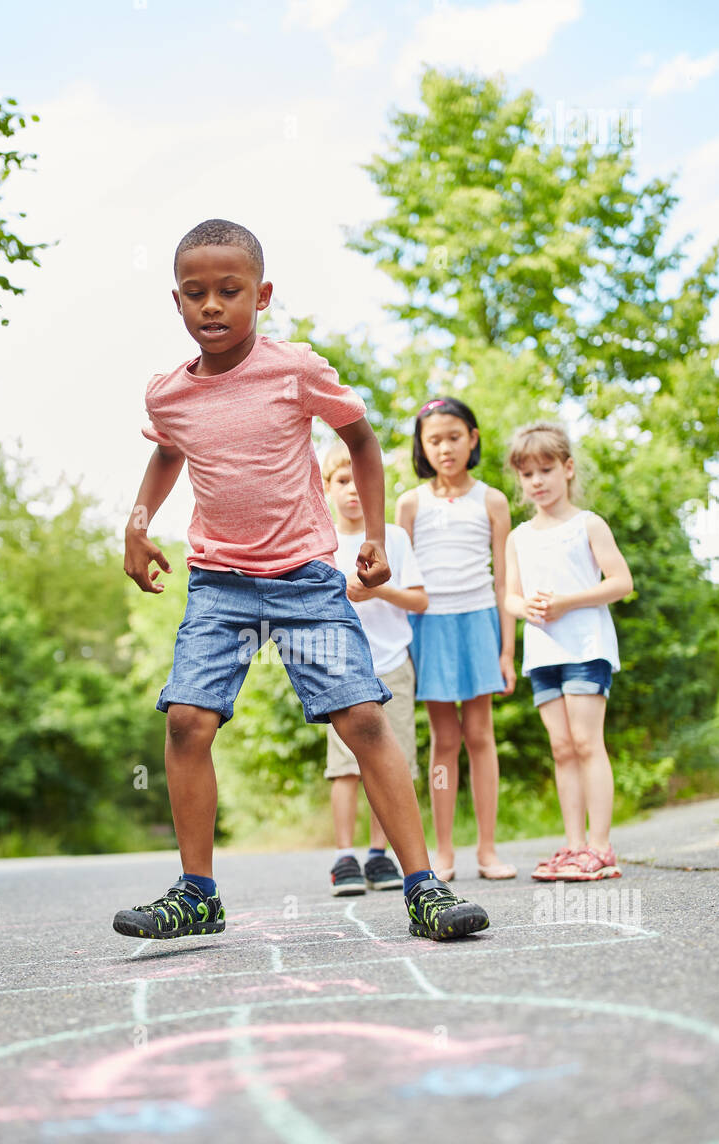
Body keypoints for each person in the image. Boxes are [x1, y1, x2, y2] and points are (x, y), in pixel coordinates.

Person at [114, 218, 490, 942]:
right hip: (220, 580)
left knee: (362, 716)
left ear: (263, 296)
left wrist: (375, 538)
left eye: (231, 291)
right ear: (178, 302)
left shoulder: (295, 369)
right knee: (188, 720)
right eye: (197, 294)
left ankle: (423, 887)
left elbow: (361, 439)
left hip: (304, 578)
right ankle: (197, 893)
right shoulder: (170, 395)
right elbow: (167, 454)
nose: (213, 306)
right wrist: (137, 521)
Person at [503, 422, 633, 881]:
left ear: (567, 468)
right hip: (542, 654)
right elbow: (510, 597)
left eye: (546, 469)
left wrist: (566, 601)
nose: (536, 480)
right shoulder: (518, 536)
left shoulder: (588, 524)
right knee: (561, 748)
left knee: (585, 742)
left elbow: (621, 583)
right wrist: (529, 609)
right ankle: (574, 845)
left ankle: (600, 848)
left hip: (587, 646)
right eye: (527, 473)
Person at [395, 397, 517, 882]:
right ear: (422, 447)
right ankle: (442, 852)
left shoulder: (492, 500)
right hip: (430, 628)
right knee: (444, 740)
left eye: (454, 437)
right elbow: (401, 579)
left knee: (481, 736)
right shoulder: (409, 503)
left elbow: (506, 582)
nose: (445, 448)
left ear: (473, 437)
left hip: (480, 621)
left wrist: (508, 650)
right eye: (434, 440)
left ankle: (488, 850)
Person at [321, 440, 427, 896]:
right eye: (341, 482)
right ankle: (344, 856)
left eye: (358, 482)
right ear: (325, 488)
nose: (351, 491)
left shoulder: (393, 538)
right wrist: (343, 589)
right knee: (345, 765)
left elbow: (420, 600)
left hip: (392, 663)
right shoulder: (318, 539)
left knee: (392, 760)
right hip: (338, 663)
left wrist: (380, 590)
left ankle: (380, 855)